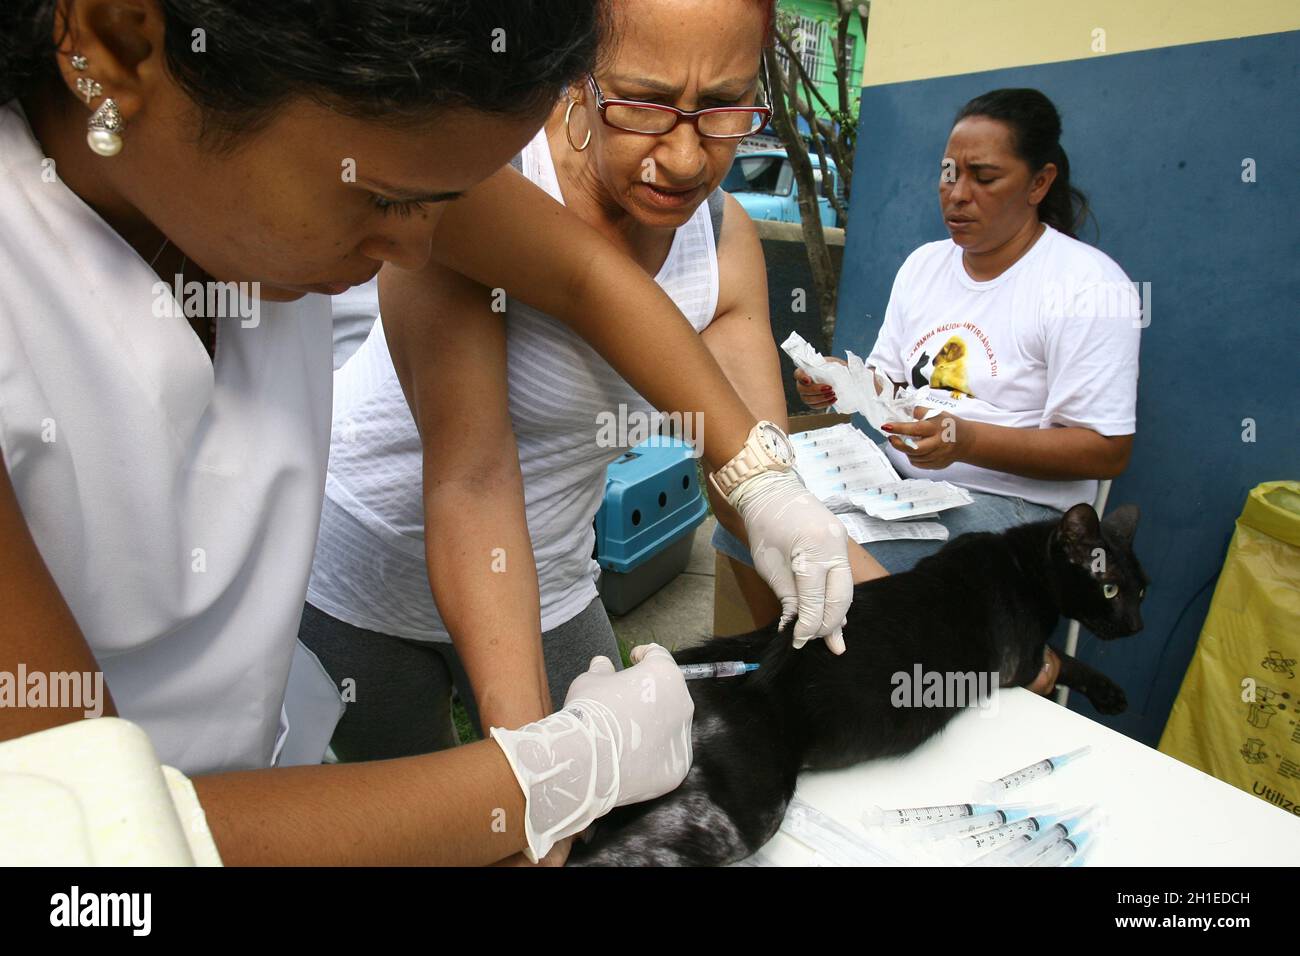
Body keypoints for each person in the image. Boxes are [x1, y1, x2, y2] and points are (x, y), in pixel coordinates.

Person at [0, 0, 851, 865]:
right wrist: (552, 772)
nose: (416, 253)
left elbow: (586, 277)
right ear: (116, 41)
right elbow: (82, 839)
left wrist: (759, 479)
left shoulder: (275, 177)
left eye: (443, 203)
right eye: (382, 197)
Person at [302, 0, 889, 762]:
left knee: (607, 804)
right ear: (575, 72)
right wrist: (533, 766)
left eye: (722, 106)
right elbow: (473, 478)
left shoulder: (720, 239)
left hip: (550, 574)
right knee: (434, 819)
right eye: (643, 105)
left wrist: (917, 620)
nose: (684, 158)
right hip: (368, 569)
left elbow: (751, 474)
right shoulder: (475, 177)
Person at [788, 89, 1142, 692]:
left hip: (1010, 511)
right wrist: (841, 385)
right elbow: (893, 381)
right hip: (896, 482)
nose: (957, 193)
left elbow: (1105, 449)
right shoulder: (925, 265)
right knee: (753, 513)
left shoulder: (1087, 285)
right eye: (949, 173)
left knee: (821, 555)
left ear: (1038, 183)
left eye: (984, 177)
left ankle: (1003, 669)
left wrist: (965, 440)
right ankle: (798, 676)